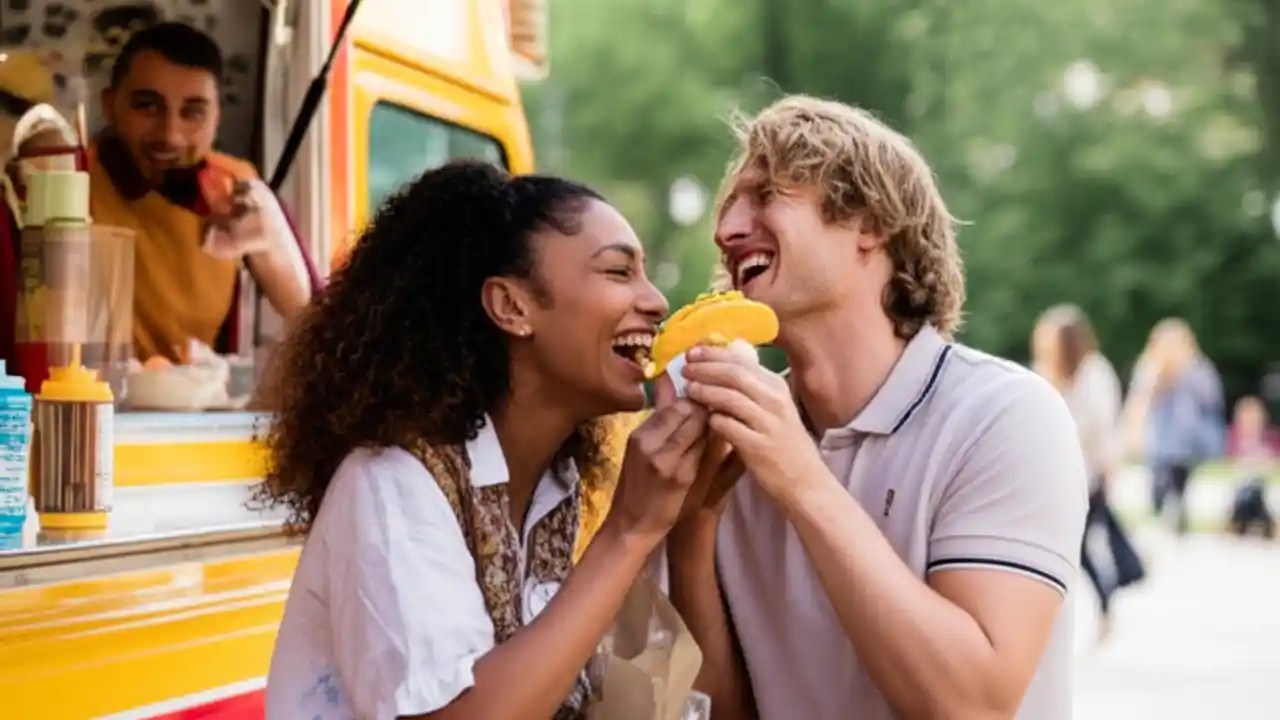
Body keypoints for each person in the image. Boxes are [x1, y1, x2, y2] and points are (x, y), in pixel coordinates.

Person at [668, 96, 1088, 719]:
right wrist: (693, 524)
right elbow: (727, 711)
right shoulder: (741, 436)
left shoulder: (1005, 417)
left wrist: (802, 481)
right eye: (730, 206)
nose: (726, 231)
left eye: (765, 195)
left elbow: (971, 705)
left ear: (869, 224)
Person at [260, 160, 710, 720]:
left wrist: (690, 516)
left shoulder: (554, 483)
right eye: (620, 272)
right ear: (512, 307)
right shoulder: (390, 481)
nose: (657, 301)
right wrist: (630, 529)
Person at [88, 22, 316, 363]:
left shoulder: (237, 189)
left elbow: (313, 322)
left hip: (197, 404)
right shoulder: (68, 178)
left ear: (216, 116)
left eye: (193, 112)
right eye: (148, 106)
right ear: (110, 105)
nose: (170, 135)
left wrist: (269, 245)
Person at [1032, 305, 1141, 640]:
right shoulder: (1046, 371)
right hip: (1053, 473)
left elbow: (1103, 428)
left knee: (1074, 547)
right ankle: (1097, 607)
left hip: (1086, 475)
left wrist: (1109, 472)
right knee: (1069, 548)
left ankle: (1090, 609)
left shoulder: (1095, 373)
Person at [1123, 317, 1225, 535]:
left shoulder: (1197, 367)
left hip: (1187, 437)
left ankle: (1179, 518)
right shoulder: (1149, 367)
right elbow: (1140, 399)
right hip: (1160, 436)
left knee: (1180, 478)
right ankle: (1161, 511)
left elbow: (1210, 398)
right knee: (1157, 480)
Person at [1226, 395, 1277, 538]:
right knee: (1247, 494)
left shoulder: (1269, 438)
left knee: (1254, 493)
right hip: (1241, 483)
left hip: (1260, 483)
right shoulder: (1233, 437)